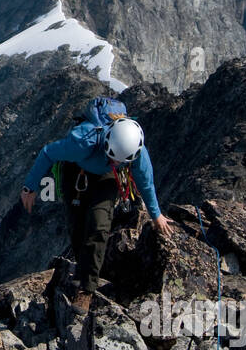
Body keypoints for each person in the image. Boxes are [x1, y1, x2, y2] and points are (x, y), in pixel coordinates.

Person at [19, 97, 172, 310]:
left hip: (108, 177)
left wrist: (156, 214)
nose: (118, 162)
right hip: (76, 171)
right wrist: (30, 187)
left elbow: (145, 182)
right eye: (115, 158)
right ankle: (83, 268)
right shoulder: (82, 142)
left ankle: (86, 289)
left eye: (122, 161)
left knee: (99, 226)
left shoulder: (136, 151)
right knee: (77, 228)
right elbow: (48, 153)